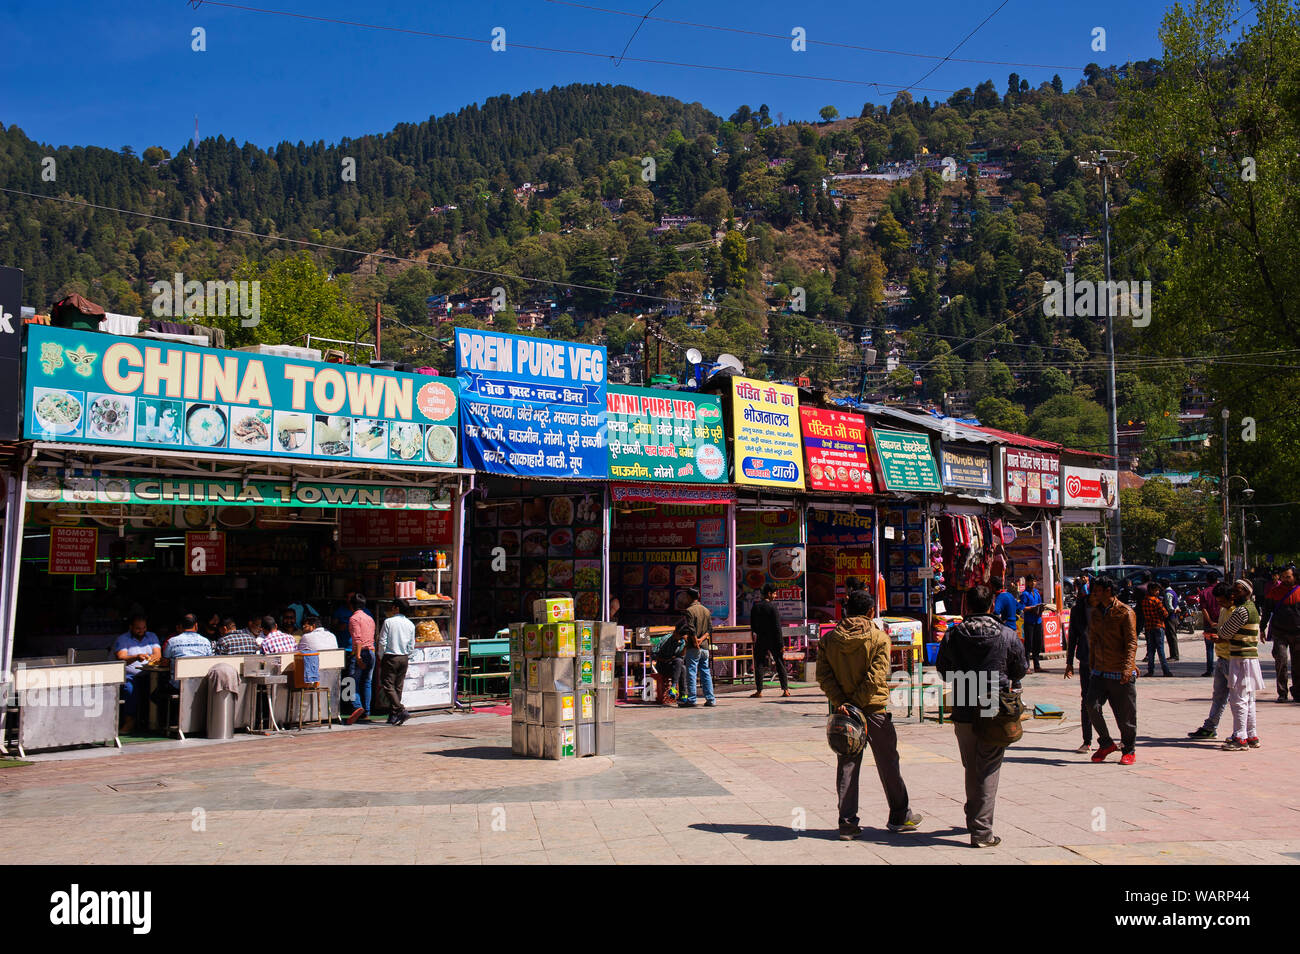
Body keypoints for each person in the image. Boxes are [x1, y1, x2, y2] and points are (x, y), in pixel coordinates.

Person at [817, 588, 921, 840]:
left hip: (843, 712)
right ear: (871, 612)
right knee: (888, 763)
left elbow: (824, 675)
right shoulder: (879, 638)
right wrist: (857, 703)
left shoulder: (829, 640)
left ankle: (847, 822)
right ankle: (899, 814)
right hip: (874, 709)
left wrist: (843, 702)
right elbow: (876, 677)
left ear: (846, 610)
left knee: (848, 765)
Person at [935, 584, 1027, 848]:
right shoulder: (1008, 634)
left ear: (967, 606)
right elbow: (1020, 669)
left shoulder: (954, 635)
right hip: (994, 706)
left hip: (963, 705)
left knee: (972, 765)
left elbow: (943, 669)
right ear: (991, 606)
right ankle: (982, 831)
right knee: (988, 766)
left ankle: (974, 817)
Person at [1086, 576, 1139, 764]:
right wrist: (1091, 664)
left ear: (1108, 590)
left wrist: (1128, 667)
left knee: (1125, 715)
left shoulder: (1125, 612)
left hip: (1120, 671)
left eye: (1098, 590)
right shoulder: (1095, 613)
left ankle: (1128, 749)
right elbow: (1093, 641)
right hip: (1099, 671)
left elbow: (1132, 642)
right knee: (1091, 705)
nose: (1094, 593)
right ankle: (1106, 743)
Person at [1215, 580, 1264, 750]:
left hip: (1241, 657)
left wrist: (1219, 632)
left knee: (1238, 699)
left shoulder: (1241, 611)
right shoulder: (1253, 608)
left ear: (1246, 592)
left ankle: (1240, 736)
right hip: (1250, 657)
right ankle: (1251, 735)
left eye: (1237, 590)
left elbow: (1225, 632)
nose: (1234, 594)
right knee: (1249, 698)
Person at [112, 615, 161, 734]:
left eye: (144, 628)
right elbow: (121, 657)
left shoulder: (152, 636)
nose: (141, 631)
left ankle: (155, 722)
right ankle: (130, 722)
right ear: (131, 627)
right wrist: (136, 657)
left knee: (159, 688)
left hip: (150, 674)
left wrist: (153, 658)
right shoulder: (123, 639)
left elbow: (157, 654)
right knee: (130, 689)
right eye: (138, 628)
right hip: (130, 675)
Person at [1064, 581, 1093, 753]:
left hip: (1106, 660)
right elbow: (1072, 637)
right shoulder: (1077, 611)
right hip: (1086, 660)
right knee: (1087, 701)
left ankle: (1115, 740)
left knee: (1112, 700)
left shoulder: (1105, 609)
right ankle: (1087, 740)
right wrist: (1069, 663)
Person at [1264, 565, 1300, 703]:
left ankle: (1297, 692)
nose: (1285, 579)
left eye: (1288, 576)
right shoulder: (1274, 592)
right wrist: (1262, 628)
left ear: (1294, 577)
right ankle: (1282, 693)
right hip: (1280, 633)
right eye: (1283, 576)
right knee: (1281, 662)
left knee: (1298, 665)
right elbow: (1267, 611)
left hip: (1298, 633)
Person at [377, 599, 415, 725]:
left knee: (388, 685)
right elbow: (411, 645)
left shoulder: (389, 622)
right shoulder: (410, 624)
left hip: (391, 656)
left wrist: (380, 655)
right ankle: (393, 715)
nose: (392, 609)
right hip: (404, 657)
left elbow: (382, 641)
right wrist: (408, 655)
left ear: (397, 609)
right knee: (398, 687)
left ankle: (400, 710)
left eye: (393, 607)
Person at [749, 583, 789, 698]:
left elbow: (753, 626)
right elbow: (777, 627)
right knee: (780, 663)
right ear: (769, 594)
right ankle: (785, 690)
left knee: (759, 664)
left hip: (761, 638)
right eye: (775, 593)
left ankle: (759, 691)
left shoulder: (756, 607)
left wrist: (760, 632)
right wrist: (781, 644)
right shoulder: (772, 607)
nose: (775, 596)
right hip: (774, 639)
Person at [679, 588, 716, 708]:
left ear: (690, 597)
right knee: (705, 672)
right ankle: (710, 699)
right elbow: (710, 629)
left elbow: (691, 629)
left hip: (694, 647)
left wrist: (696, 642)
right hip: (704, 646)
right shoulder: (706, 610)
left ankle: (692, 699)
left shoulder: (689, 611)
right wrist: (702, 639)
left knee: (692, 672)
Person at [346, 594, 377, 724]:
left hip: (361, 652)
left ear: (352, 605)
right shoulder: (370, 618)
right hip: (371, 652)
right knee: (367, 682)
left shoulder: (354, 619)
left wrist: (357, 656)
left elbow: (358, 639)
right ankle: (367, 711)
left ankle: (357, 707)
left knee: (351, 682)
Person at [160, 614, 214, 689]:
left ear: (181, 626)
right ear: (196, 626)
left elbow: (164, 663)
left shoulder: (172, 641)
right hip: (200, 685)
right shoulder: (206, 642)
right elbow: (210, 662)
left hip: (178, 686)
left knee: (156, 694)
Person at [1139, 584, 1174, 677]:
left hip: (1149, 627)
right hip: (1158, 626)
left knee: (1150, 650)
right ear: (1152, 590)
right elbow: (1165, 613)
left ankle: (1150, 670)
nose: (1158, 592)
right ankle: (1166, 670)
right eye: (1156, 590)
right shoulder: (1156, 601)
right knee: (1160, 650)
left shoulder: (1144, 601)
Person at [1197, 571, 1224, 676]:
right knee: (1224, 644)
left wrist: (1210, 622)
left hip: (1209, 625)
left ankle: (1210, 670)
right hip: (1222, 622)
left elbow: (1204, 609)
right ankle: (1224, 668)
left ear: (1207, 580)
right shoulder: (1222, 591)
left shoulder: (1204, 593)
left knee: (1209, 648)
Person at [1019, 574, 1044, 673]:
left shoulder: (1037, 593)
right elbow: (1022, 607)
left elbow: (1040, 604)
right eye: (1031, 581)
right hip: (1029, 622)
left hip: (1038, 621)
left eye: (1034, 581)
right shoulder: (1024, 594)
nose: (1033, 583)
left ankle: (1037, 665)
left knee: (1037, 643)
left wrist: (1041, 608)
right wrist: (1032, 608)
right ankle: (1026, 666)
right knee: (1028, 644)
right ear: (1027, 582)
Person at [1162, 581, 1181, 661]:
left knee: (1171, 637)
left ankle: (1174, 655)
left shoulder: (1167, 594)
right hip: (1174, 617)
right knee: (1172, 636)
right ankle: (1173, 655)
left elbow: (1169, 607)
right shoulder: (1173, 592)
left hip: (1170, 618)